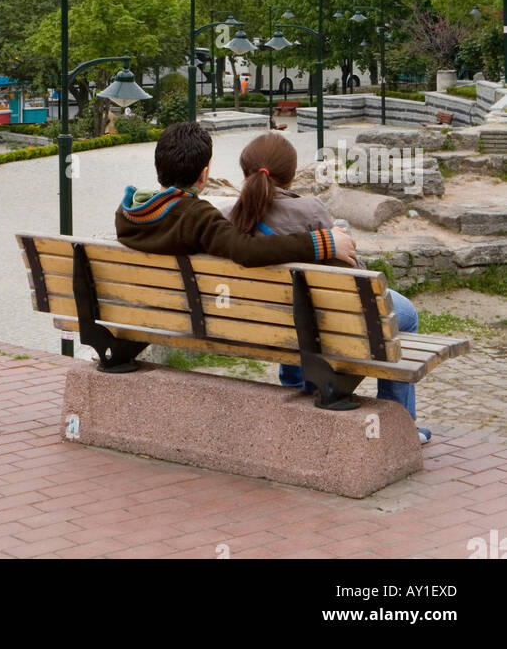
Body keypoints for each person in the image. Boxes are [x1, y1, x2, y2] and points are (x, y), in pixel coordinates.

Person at [225, 131, 431, 444]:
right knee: (407, 313)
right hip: (328, 323)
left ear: (245, 173)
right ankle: (400, 423)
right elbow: (354, 274)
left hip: (267, 321)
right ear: (291, 177)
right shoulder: (309, 209)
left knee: (290, 307)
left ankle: (299, 388)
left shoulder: (230, 217)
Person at [116, 120, 357, 270]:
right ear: (204, 175)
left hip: (149, 312)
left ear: (158, 165)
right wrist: (321, 242)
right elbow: (247, 251)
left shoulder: (127, 213)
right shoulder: (198, 218)